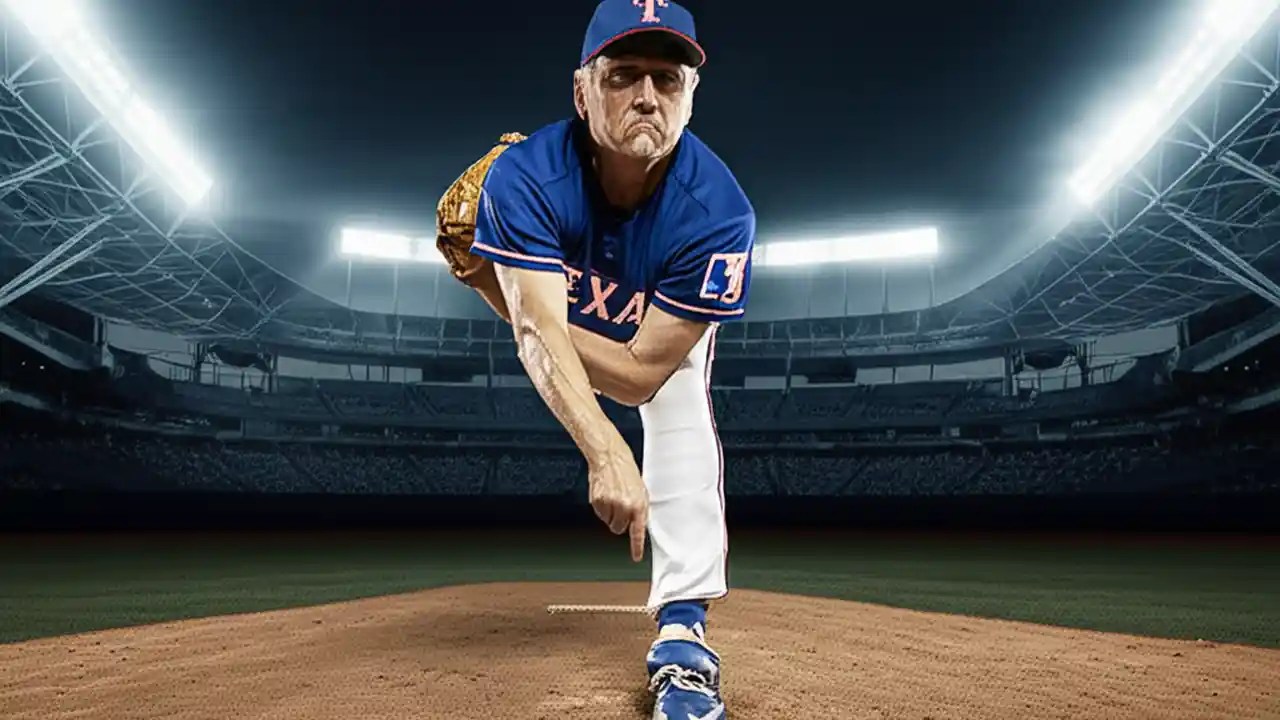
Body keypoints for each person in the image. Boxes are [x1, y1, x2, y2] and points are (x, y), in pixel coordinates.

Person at [436, 1, 754, 717]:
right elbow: (538, 333)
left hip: (649, 324)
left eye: (668, 80)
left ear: (691, 99)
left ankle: (683, 636)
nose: (647, 95)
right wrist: (524, 307)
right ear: (582, 92)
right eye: (623, 75)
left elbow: (640, 373)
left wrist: (505, 291)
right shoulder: (527, 177)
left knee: (677, 401)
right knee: (549, 335)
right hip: (559, 298)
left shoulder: (721, 215)